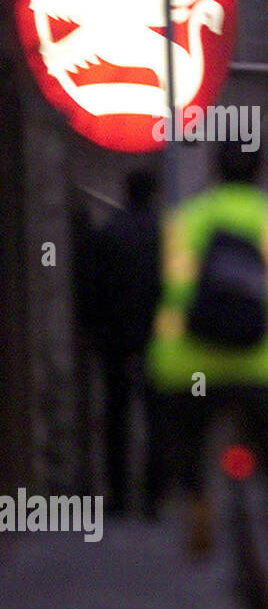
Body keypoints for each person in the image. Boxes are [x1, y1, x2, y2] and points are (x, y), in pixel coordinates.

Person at [148, 139, 268, 609]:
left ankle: (197, 497)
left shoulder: (185, 221)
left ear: (215, 169)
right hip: (265, 369)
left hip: (193, 365)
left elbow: (165, 292)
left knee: (182, 429)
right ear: (263, 170)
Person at [87, 171, 164, 517]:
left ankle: (117, 496)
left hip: (114, 338)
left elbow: (91, 289)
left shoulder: (107, 233)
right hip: (156, 338)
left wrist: (93, 331)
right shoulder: (164, 234)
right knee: (157, 417)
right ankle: (152, 498)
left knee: (115, 416)